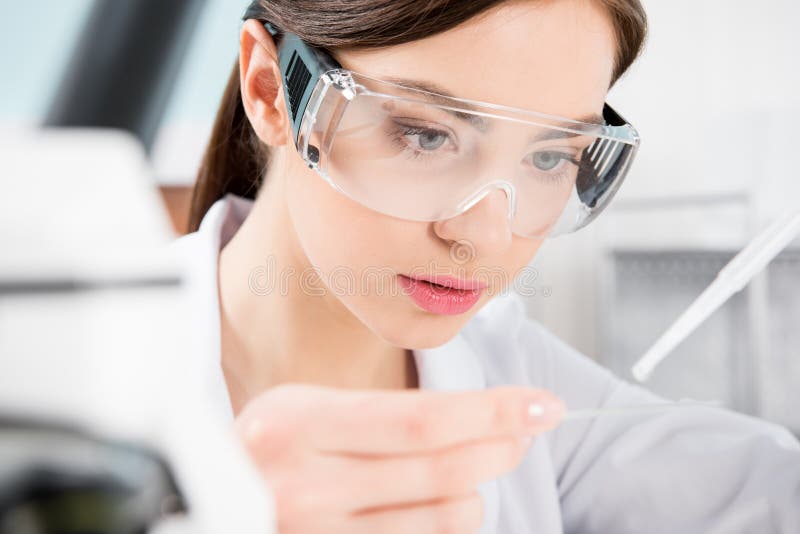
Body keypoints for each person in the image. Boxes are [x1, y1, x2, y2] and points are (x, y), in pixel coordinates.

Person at [174, 1, 800, 532]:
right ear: (271, 90)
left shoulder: (522, 385)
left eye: (551, 158)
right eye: (425, 135)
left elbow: (773, 491)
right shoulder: (117, 372)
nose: (486, 237)